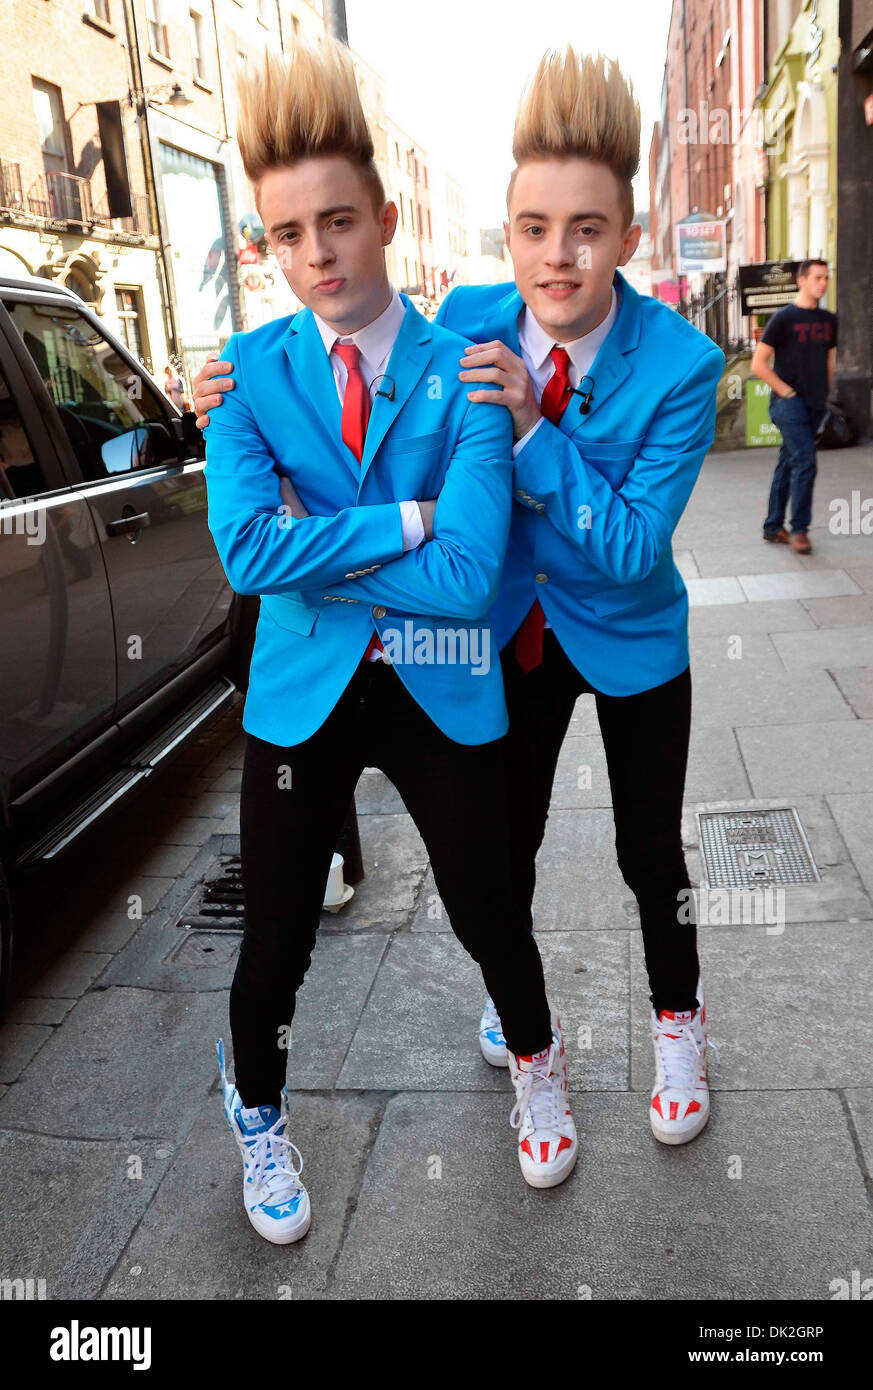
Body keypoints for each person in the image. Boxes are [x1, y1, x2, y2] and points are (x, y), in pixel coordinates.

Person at [194, 46, 724, 1155]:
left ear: (628, 237)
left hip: (622, 635)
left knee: (648, 854)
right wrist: (240, 396)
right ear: (507, 232)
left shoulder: (678, 364)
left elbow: (629, 549)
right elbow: (347, 389)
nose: (558, 256)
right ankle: (516, 1003)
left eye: (587, 229)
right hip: (499, 638)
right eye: (534, 227)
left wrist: (530, 428)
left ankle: (678, 1019)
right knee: (504, 851)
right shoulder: (473, 315)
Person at [204, 39, 577, 1247]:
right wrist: (408, 515)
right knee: (276, 940)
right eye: (286, 234)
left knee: (490, 905)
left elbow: (470, 578)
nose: (316, 256)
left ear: (387, 216)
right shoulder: (245, 381)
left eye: (340, 222)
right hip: (306, 691)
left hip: (441, 683)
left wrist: (334, 535)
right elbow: (247, 555)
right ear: (266, 243)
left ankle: (534, 1054)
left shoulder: (463, 366)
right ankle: (257, 1110)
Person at [751, 258, 837, 554]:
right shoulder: (783, 319)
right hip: (788, 404)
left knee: (788, 461)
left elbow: (828, 360)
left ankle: (773, 526)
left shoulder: (829, 321)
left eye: (826, 278)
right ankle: (800, 529)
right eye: (817, 278)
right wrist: (786, 393)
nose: (823, 283)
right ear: (802, 280)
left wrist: (825, 394)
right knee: (806, 461)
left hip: (815, 403)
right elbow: (758, 364)